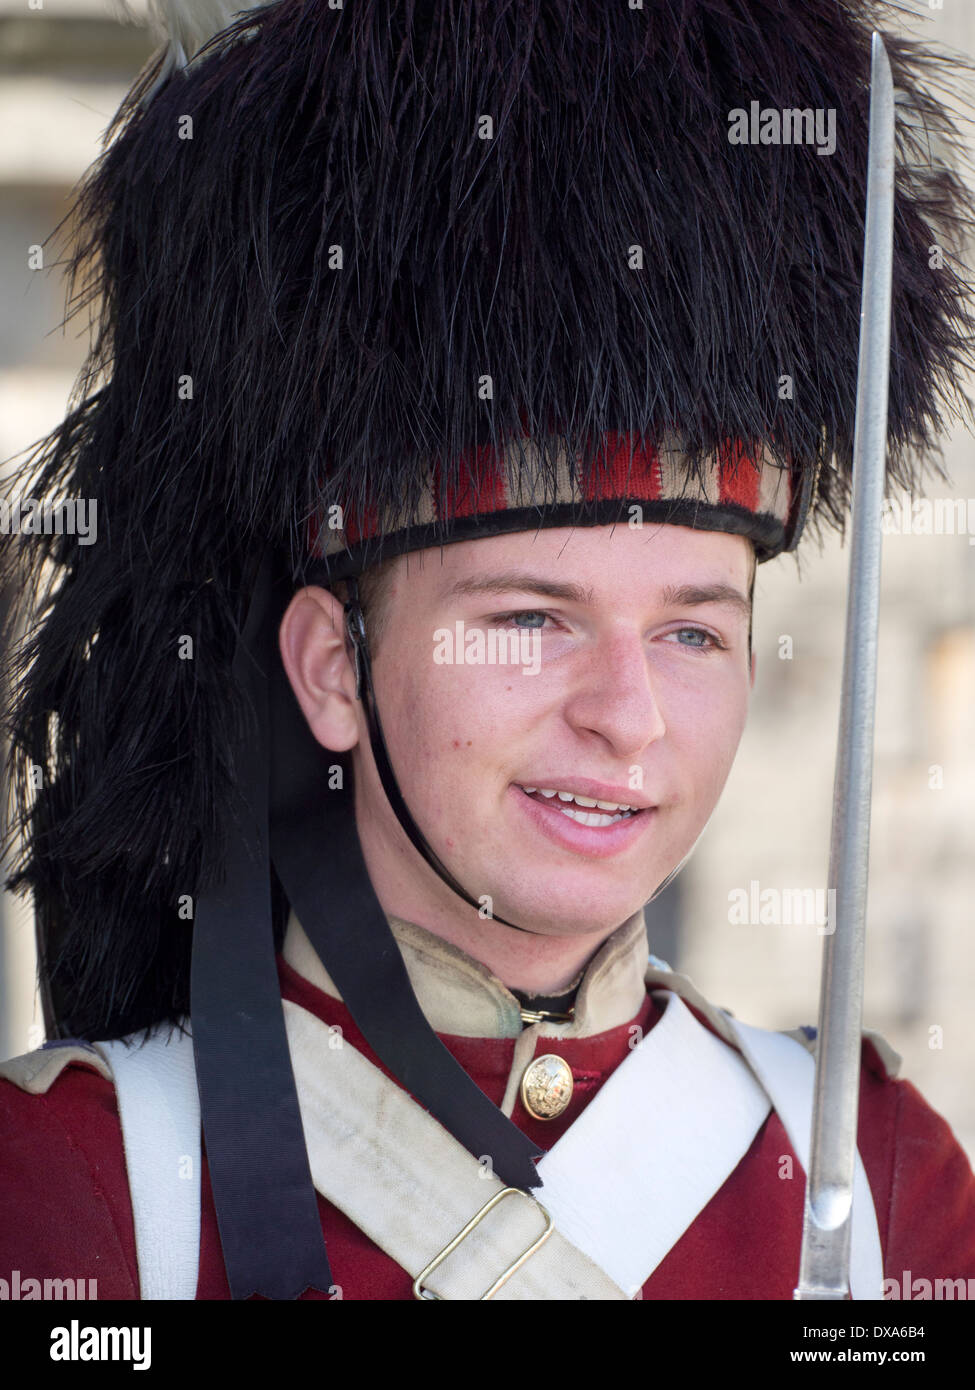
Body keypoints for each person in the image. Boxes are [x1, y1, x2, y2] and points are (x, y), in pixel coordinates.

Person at [1, 0, 974, 1302]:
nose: (628, 716)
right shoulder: (83, 1186)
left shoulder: (882, 1179)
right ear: (332, 665)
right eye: (531, 617)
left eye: (692, 628)